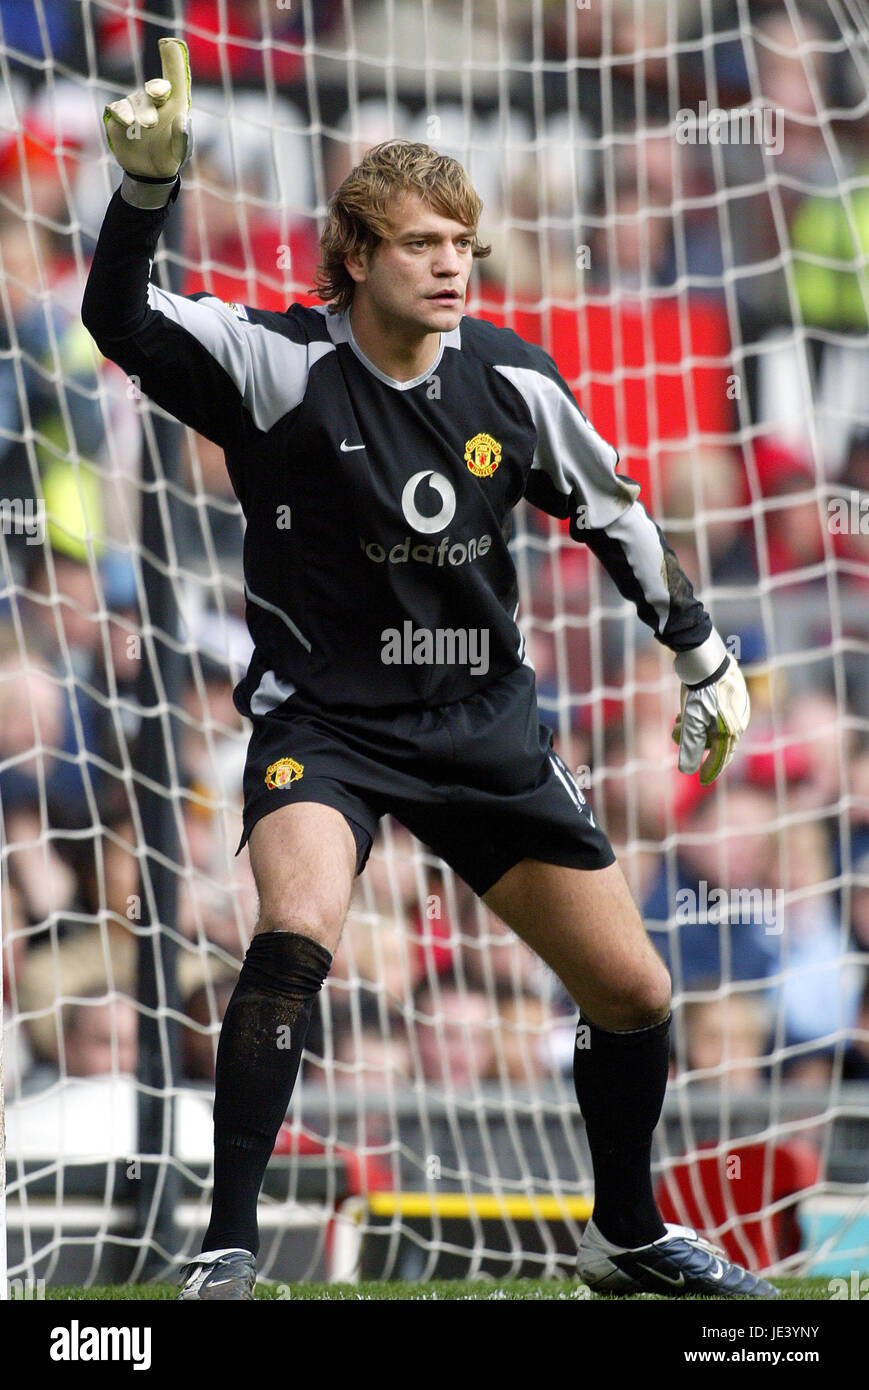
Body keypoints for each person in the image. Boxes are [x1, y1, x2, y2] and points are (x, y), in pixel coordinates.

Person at [81, 39, 770, 1300]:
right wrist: (142, 197)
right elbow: (118, 318)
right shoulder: (276, 363)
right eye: (419, 243)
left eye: (463, 243)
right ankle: (226, 1250)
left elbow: (613, 515)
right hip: (325, 722)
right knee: (293, 930)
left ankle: (621, 1235)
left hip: (478, 723)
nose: (451, 263)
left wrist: (701, 652)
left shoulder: (509, 378)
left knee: (634, 990)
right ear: (354, 257)